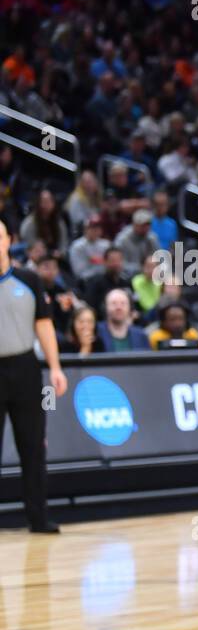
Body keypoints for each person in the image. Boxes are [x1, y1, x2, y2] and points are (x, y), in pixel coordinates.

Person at [0, 219, 67, 533]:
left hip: (26, 369)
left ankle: (38, 517)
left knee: (33, 445)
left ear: (9, 240)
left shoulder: (29, 280)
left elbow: (44, 326)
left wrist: (54, 367)